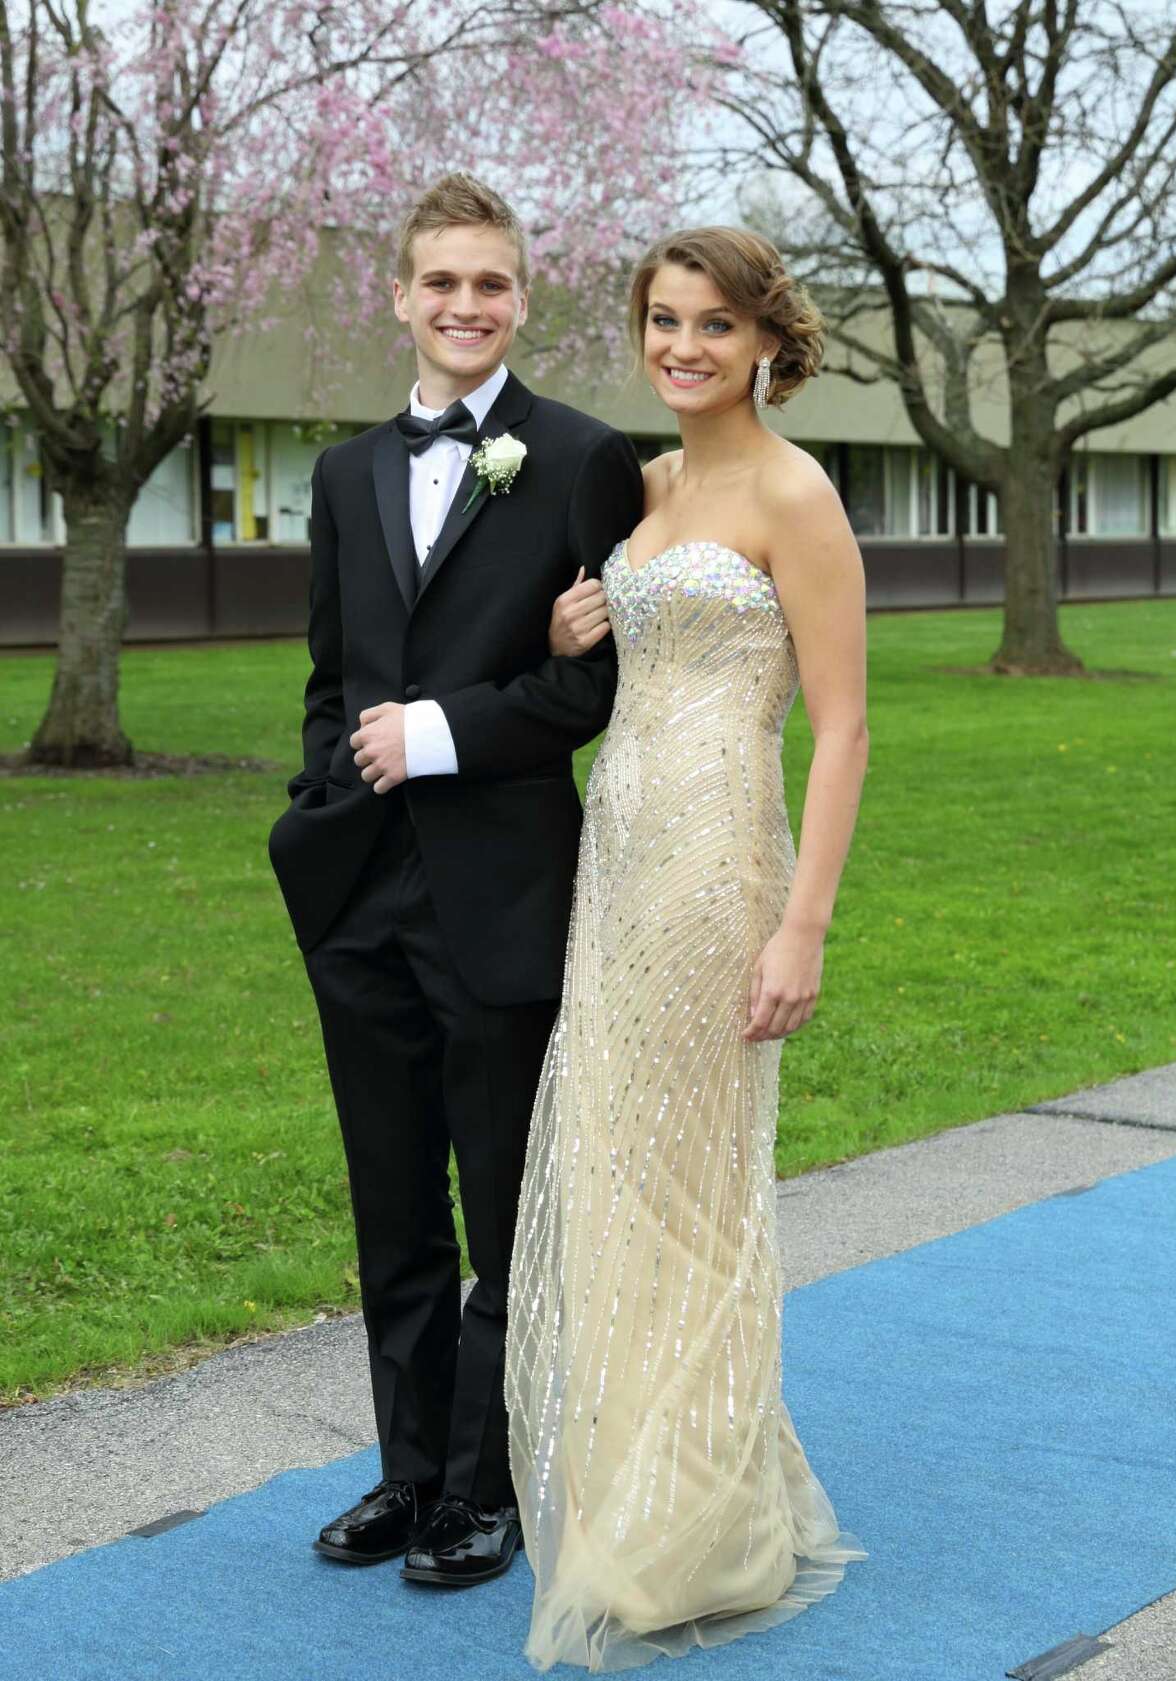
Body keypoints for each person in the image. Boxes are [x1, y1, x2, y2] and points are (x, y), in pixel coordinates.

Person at [267, 173, 642, 1587]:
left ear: (523, 297)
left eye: (491, 284)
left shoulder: (585, 458)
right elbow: (330, 675)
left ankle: (491, 1488)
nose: (465, 306)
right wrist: (321, 806)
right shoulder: (348, 473)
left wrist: (443, 732)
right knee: (390, 1202)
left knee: (501, 1200)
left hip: (501, 891)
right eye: (442, 283)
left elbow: (598, 680)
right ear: (402, 295)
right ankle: (408, 1472)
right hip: (358, 890)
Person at [506, 227, 870, 1671]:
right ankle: (640, 1495)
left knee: (698, 1177)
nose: (685, 348)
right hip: (619, 857)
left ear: (766, 339)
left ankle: (700, 1528)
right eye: (664, 321)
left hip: (723, 874)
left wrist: (803, 923)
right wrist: (569, 622)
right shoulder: (644, 490)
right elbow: (632, 669)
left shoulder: (798, 494)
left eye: (715, 324)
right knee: (617, 1169)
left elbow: (843, 723)